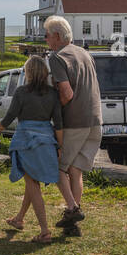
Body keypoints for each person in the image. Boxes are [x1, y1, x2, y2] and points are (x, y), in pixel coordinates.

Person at [0, 55, 64, 243]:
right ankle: (19, 219)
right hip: (47, 141)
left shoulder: (21, 92)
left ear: (29, 73)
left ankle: (45, 232)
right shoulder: (52, 93)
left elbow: (8, 119)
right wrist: (59, 146)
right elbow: (58, 123)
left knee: (32, 185)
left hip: (26, 141)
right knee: (32, 183)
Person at [44, 15, 101, 236]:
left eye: (47, 36)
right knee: (76, 170)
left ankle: (73, 209)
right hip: (96, 120)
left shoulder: (58, 57)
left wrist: (48, 110)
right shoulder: (85, 54)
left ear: (57, 36)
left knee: (57, 167)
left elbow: (66, 94)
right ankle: (72, 221)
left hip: (74, 122)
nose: (46, 41)